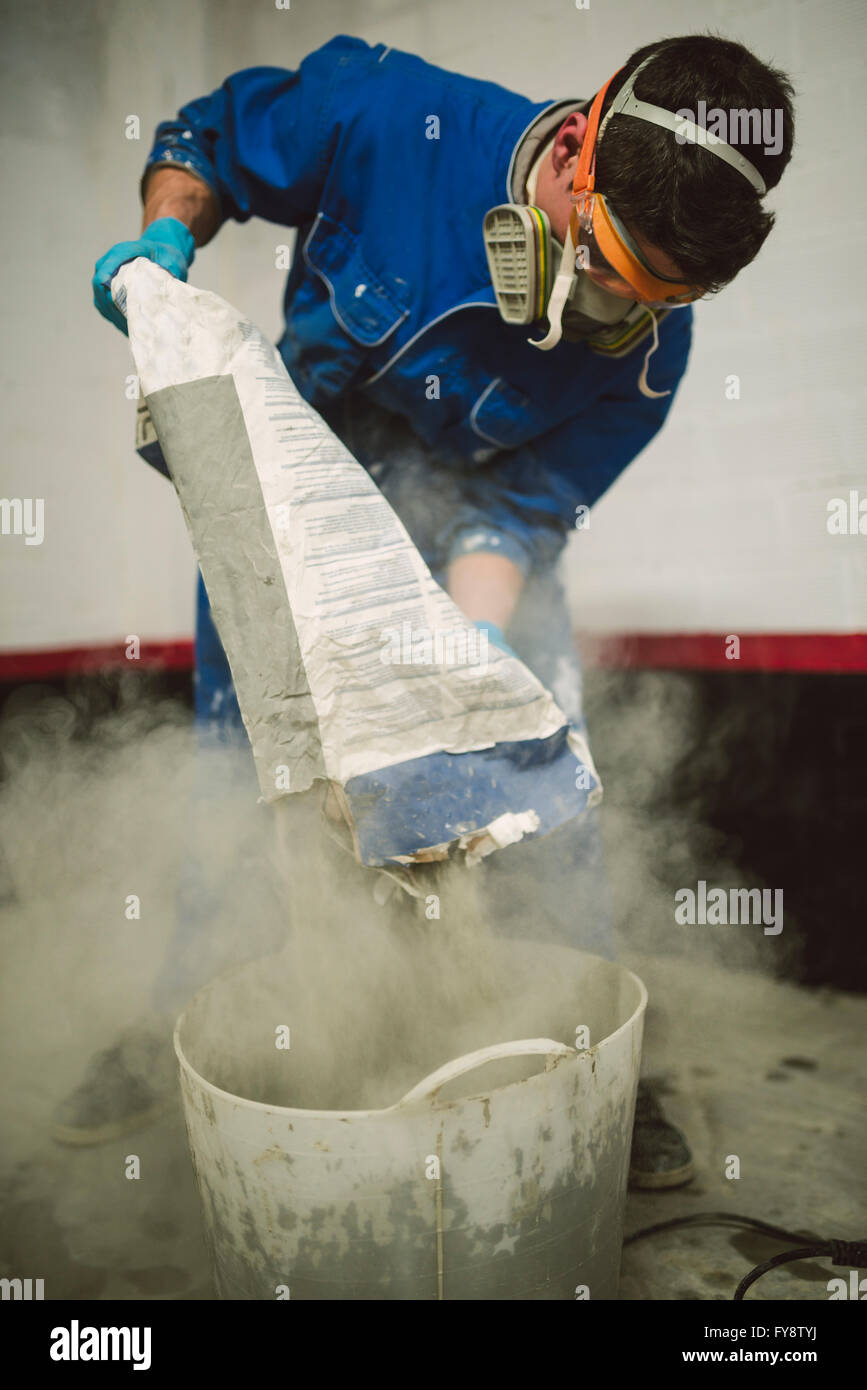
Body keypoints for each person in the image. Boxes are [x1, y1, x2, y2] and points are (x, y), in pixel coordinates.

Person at [69, 32, 794, 1189]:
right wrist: (169, 237)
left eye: (648, 302)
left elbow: (515, 514)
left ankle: (592, 1061)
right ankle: (175, 1038)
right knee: (236, 781)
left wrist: (467, 659)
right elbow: (205, 142)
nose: (607, 316)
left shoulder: (651, 355)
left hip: (467, 557)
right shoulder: (388, 116)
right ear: (573, 151)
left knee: (537, 787)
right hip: (290, 531)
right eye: (604, 268)